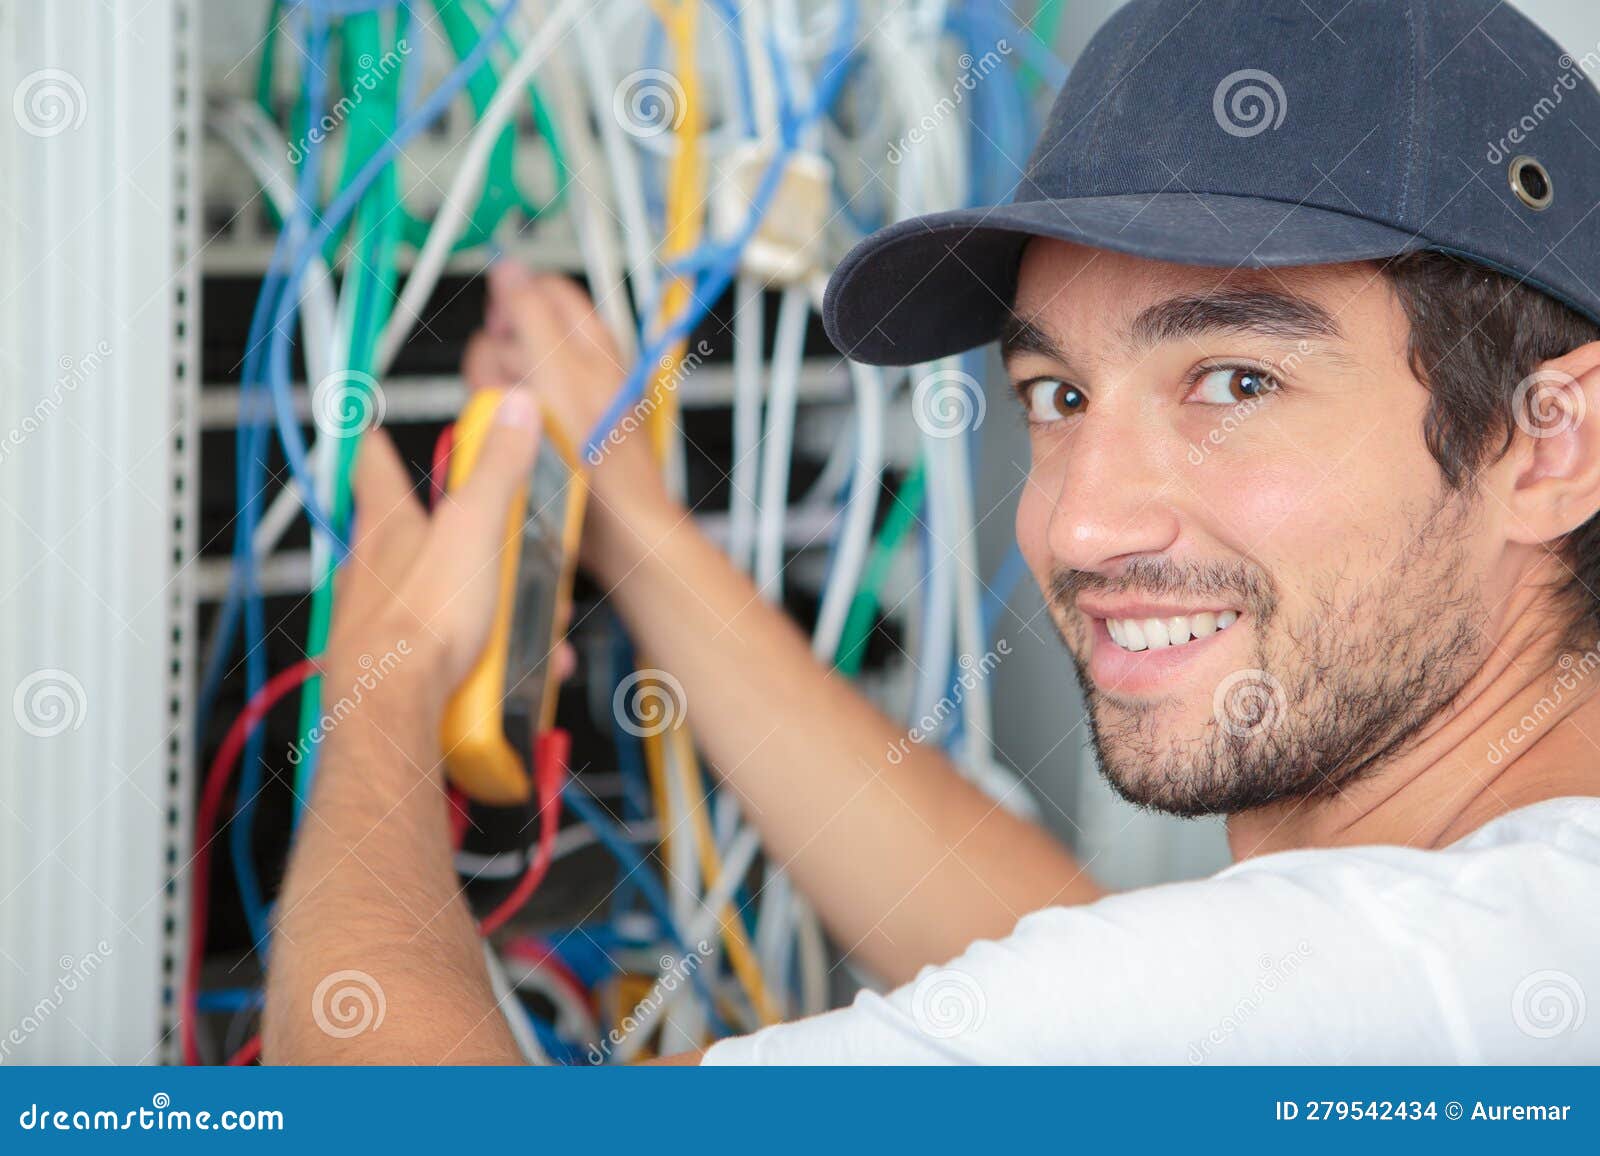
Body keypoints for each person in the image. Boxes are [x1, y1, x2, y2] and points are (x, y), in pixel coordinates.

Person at [263, 0, 1600, 1063]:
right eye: (1057, 397)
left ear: (1552, 444)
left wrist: (387, 675)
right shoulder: (1483, 944)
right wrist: (635, 528)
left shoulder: (1394, 987)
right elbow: (1079, 963)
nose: (1081, 523)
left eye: (1237, 383)